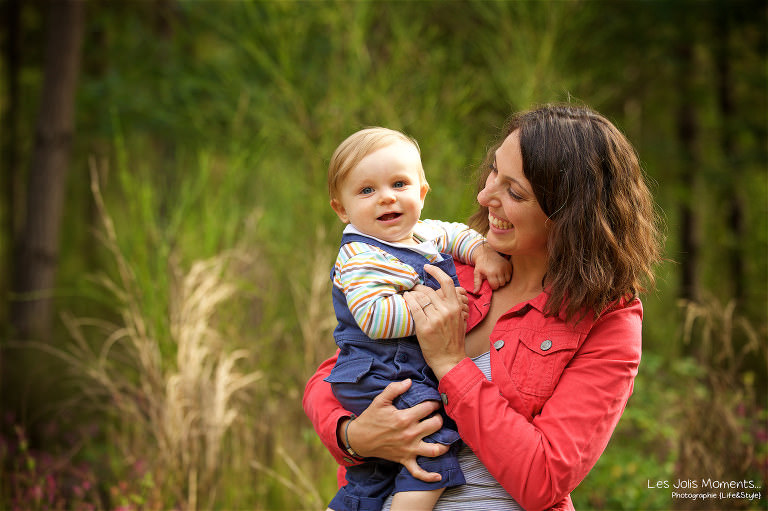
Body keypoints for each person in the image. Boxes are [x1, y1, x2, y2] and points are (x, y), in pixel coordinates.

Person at [304, 105, 663, 511]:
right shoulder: (448, 266)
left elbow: (543, 478)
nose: (484, 196)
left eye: (515, 192)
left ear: (569, 213)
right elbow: (331, 376)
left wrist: (450, 365)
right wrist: (354, 436)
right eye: (494, 172)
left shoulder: (607, 319)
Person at [323, 127, 513, 511]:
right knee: (433, 443)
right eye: (366, 191)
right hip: (380, 373)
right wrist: (436, 309)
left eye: (399, 184)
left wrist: (482, 252)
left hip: (399, 370)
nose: (387, 197)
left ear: (422, 193)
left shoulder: (420, 234)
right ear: (342, 210)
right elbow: (374, 318)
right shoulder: (361, 256)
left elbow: (455, 234)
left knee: (373, 475)